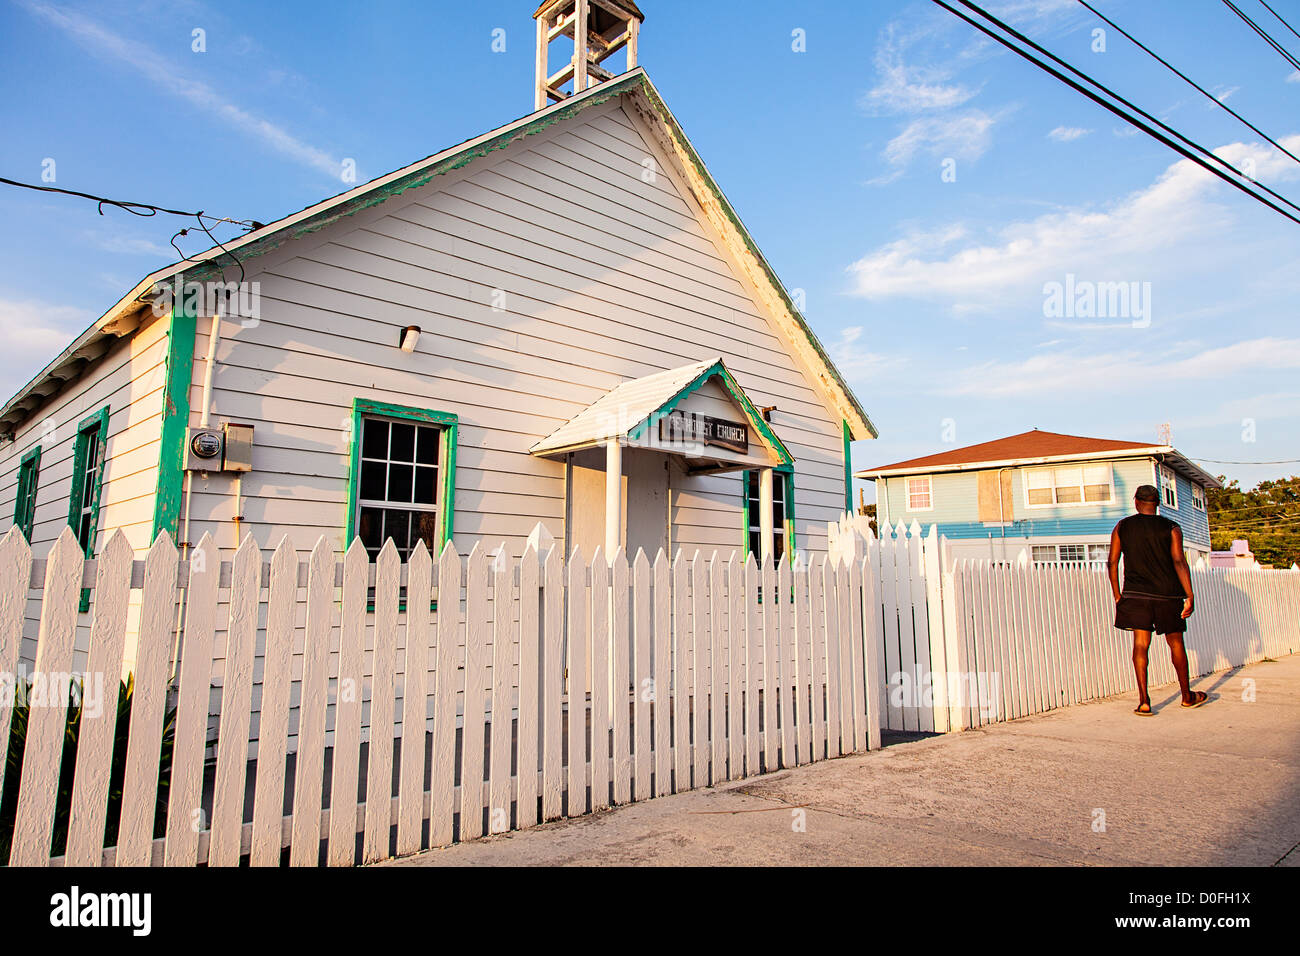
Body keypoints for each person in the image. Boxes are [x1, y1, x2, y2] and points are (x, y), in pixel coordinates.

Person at [1106, 483, 1208, 715]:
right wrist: (1189, 595)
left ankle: (1144, 701)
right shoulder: (1172, 527)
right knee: (1176, 644)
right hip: (1167, 595)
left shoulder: (1122, 526)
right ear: (1158, 503)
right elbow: (1179, 561)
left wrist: (1117, 595)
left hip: (1135, 595)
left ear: (1136, 502)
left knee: (1140, 646)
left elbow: (1112, 562)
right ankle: (1186, 696)